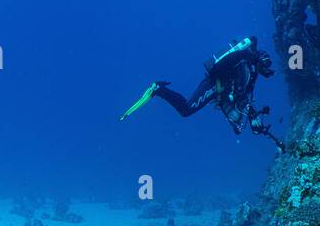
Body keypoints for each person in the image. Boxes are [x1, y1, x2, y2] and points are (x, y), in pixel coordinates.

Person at [120, 36, 284, 151]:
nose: (266, 71)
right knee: (186, 109)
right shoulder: (246, 65)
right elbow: (232, 85)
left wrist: (252, 116)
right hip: (213, 85)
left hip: (218, 89)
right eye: (266, 65)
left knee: (194, 111)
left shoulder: (249, 71)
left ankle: (158, 90)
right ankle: (157, 89)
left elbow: (241, 97)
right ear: (260, 60)